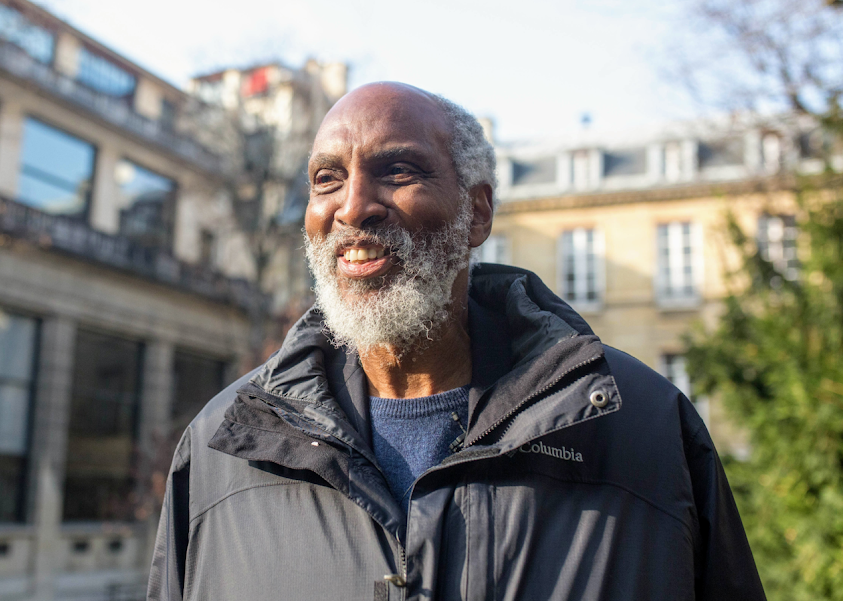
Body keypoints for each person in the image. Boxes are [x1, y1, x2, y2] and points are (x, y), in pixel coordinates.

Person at [147, 82, 765, 600]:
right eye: (327, 180)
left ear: (478, 212)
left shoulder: (646, 427)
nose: (353, 206)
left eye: (398, 171)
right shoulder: (221, 446)